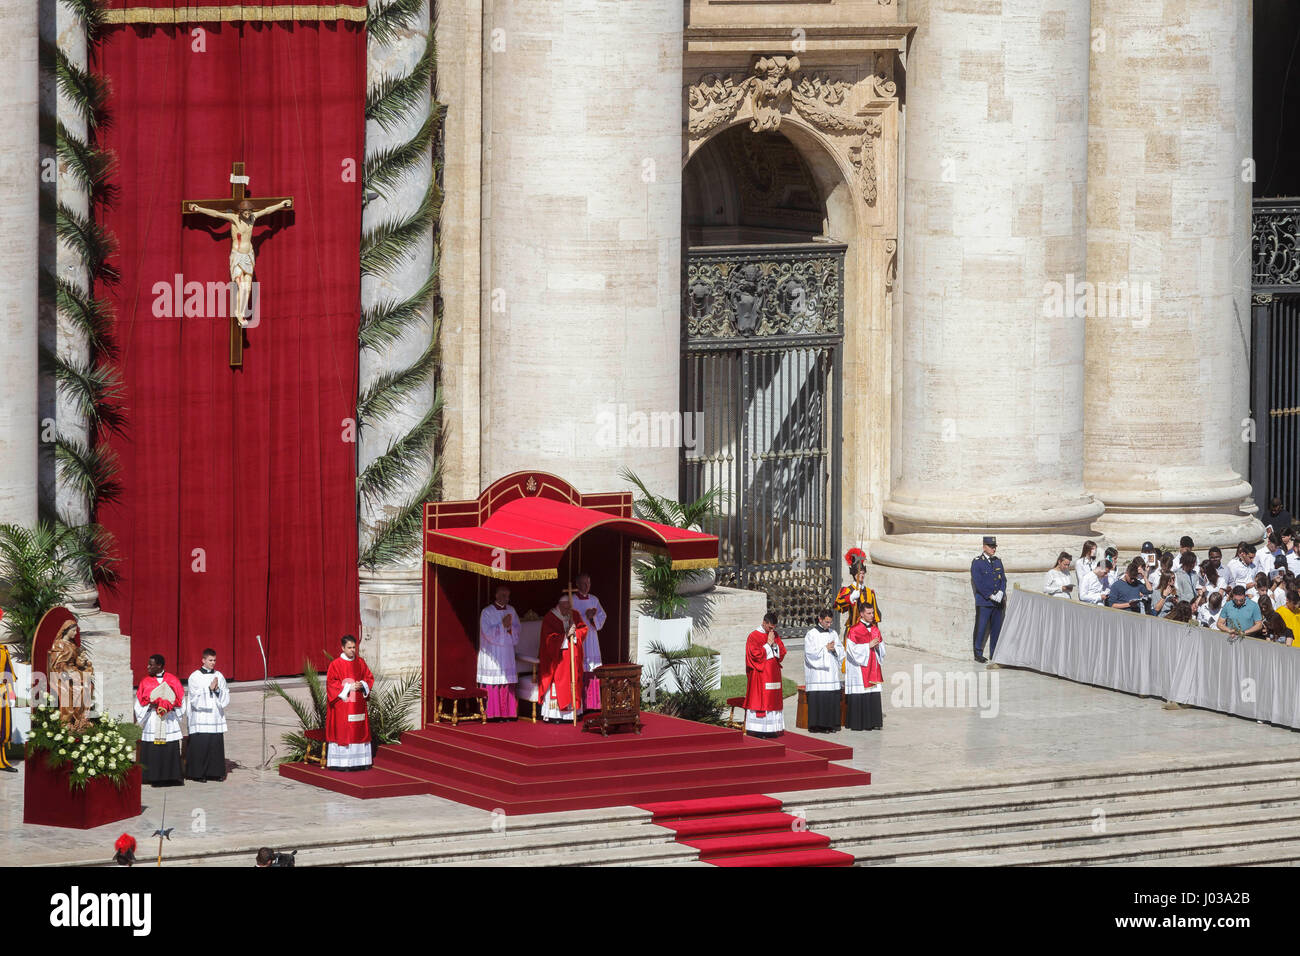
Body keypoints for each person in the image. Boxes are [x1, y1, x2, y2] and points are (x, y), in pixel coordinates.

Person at [134, 654, 186, 786]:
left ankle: (171, 776)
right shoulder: (145, 682)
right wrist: (149, 705)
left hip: (168, 719)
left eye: (151, 665)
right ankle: (153, 776)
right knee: (154, 748)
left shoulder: (172, 680)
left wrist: (170, 705)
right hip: (152, 717)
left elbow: (181, 700)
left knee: (168, 747)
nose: (148, 667)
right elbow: (139, 703)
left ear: (159, 665)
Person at [325, 635, 375, 771]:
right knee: (345, 731)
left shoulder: (360, 662)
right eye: (349, 648)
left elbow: (369, 677)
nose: (352, 650)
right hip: (343, 705)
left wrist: (362, 684)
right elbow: (331, 684)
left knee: (358, 731)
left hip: (358, 703)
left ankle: (361, 761)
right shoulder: (335, 664)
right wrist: (348, 687)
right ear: (342, 648)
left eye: (354, 647)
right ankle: (343, 763)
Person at [538, 590, 587, 724]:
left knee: (574, 680)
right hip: (556, 660)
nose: (567, 610)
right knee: (561, 681)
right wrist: (565, 635)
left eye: (568, 607)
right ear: (559, 605)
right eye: (564, 607)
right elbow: (548, 640)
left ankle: (573, 714)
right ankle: (557, 715)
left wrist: (575, 633)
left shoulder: (574, 614)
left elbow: (584, 629)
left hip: (572, 658)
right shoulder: (550, 617)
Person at [185, 648, 229, 782]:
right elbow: (194, 697)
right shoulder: (194, 676)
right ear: (203, 660)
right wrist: (208, 689)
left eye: (214, 660)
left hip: (215, 716)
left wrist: (217, 691)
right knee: (201, 745)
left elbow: (225, 693)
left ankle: (215, 773)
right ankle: (198, 774)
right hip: (201, 716)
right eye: (210, 660)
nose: (213, 663)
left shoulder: (219, 675)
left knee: (215, 745)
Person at [477, 585, 519, 720]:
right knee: (494, 682)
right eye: (502, 595)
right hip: (492, 654)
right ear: (496, 595)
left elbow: (518, 629)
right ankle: (492, 713)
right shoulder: (487, 612)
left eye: (507, 596)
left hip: (506, 652)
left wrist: (510, 627)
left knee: (506, 681)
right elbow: (487, 633)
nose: (505, 599)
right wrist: (502, 625)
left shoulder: (511, 610)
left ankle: (507, 713)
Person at [744, 612, 786, 738]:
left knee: (772, 700)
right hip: (761, 675)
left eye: (774, 628)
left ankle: (771, 728)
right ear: (764, 622)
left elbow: (782, 651)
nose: (772, 630)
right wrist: (768, 644)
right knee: (763, 701)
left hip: (774, 674)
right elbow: (755, 655)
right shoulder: (753, 636)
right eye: (770, 627)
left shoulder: (774, 635)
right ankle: (759, 729)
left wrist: (774, 645)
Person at [569, 573, 607, 712]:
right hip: (579, 638)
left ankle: (593, 704)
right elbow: (568, 620)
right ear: (577, 584)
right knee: (580, 669)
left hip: (592, 638)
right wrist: (586, 617)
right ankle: (579, 705)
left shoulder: (594, 599)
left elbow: (602, 617)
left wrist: (593, 618)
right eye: (583, 584)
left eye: (588, 583)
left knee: (592, 670)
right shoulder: (571, 600)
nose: (586, 586)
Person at [802, 609, 843, 734]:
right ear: (820, 619)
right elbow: (810, 654)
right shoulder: (811, 634)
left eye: (830, 622)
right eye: (826, 622)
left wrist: (834, 649)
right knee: (820, 699)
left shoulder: (833, 633)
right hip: (818, 674)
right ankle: (818, 725)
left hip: (830, 673)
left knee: (831, 698)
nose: (829, 625)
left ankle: (831, 724)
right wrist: (825, 649)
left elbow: (841, 649)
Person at [844, 606, 884, 731]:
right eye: (869, 613)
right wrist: (868, 646)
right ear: (861, 614)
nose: (872, 615)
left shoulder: (875, 630)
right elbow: (851, 650)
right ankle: (859, 723)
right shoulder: (854, 630)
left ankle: (873, 722)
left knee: (873, 692)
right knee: (861, 692)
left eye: (873, 613)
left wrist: (877, 647)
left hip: (873, 666)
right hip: (859, 668)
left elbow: (882, 650)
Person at [970, 536, 1006, 663]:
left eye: (995, 547)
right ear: (984, 547)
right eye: (991, 547)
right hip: (985, 601)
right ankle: (978, 653)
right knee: (981, 627)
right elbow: (978, 582)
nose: (994, 549)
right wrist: (990, 595)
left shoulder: (997, 561)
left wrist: (1001, 592)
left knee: (996, 629)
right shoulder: (977, 562)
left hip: (998, 602)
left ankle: (994, 653)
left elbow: (1003, 579)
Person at [834, 548, 883, 629]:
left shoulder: (869, 592)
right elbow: (837, 605)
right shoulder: (847, 590)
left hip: (867, 629)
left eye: (863, 573)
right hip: (853, 628)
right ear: (854, 574)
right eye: (859, 573)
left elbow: (874, 614)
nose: (862, 575)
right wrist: (850, 597)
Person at [0, 618, 16, 773]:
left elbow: (8, 673)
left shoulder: (3, 650)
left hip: (2, 693)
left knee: (3, 727)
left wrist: (10, 690)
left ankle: (2, 760)